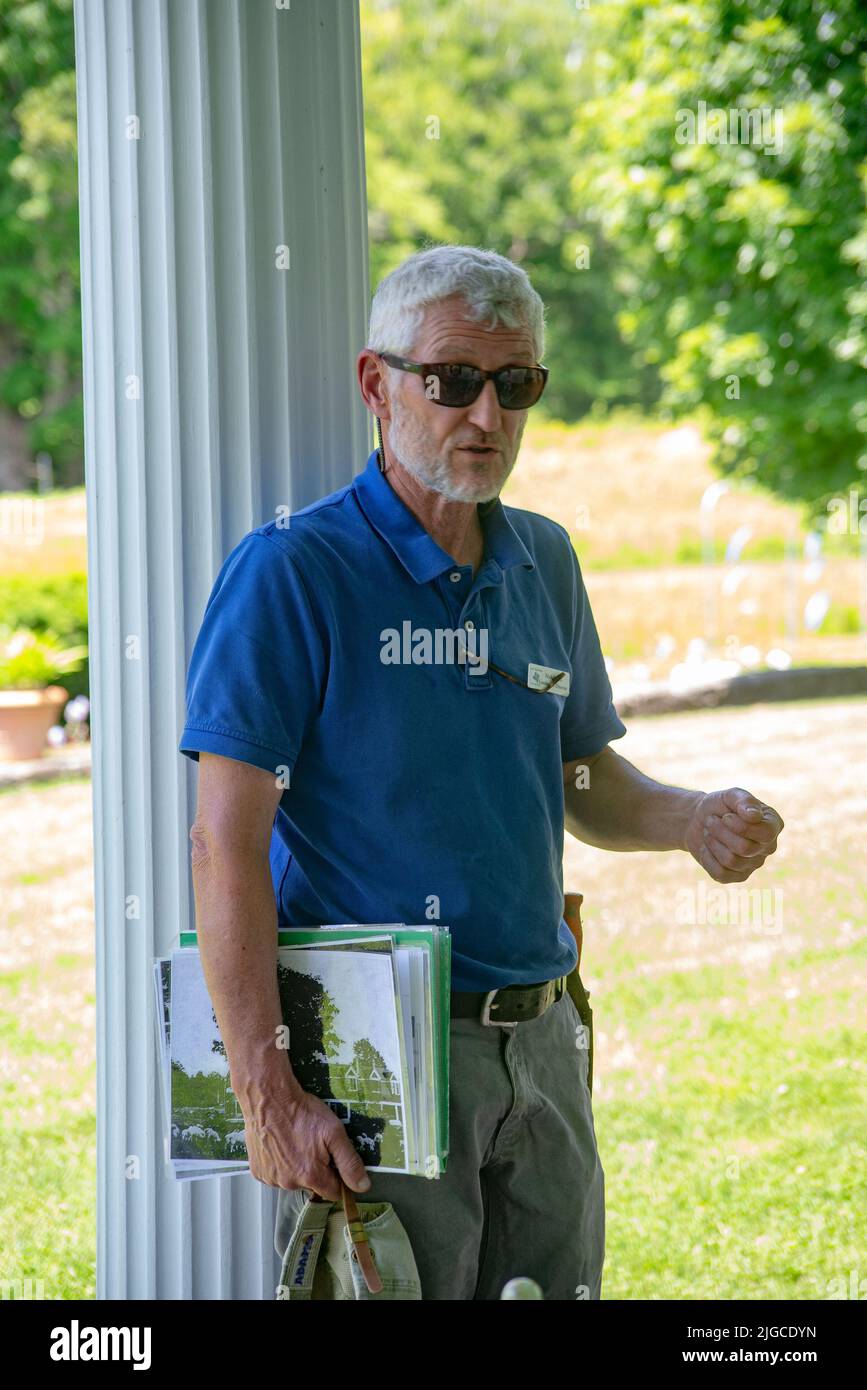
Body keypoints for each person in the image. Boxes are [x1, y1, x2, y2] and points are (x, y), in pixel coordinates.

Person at [178, 244, 784, 1300]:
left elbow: (584, 780)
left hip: (543, 1038)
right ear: (379, 385)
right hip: (380, 1053)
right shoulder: (291, 571)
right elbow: (222, 842)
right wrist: (265, 1092)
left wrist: (689, 819)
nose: (487, 417)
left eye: (516, 386)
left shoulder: (544, 558)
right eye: (452, 381)